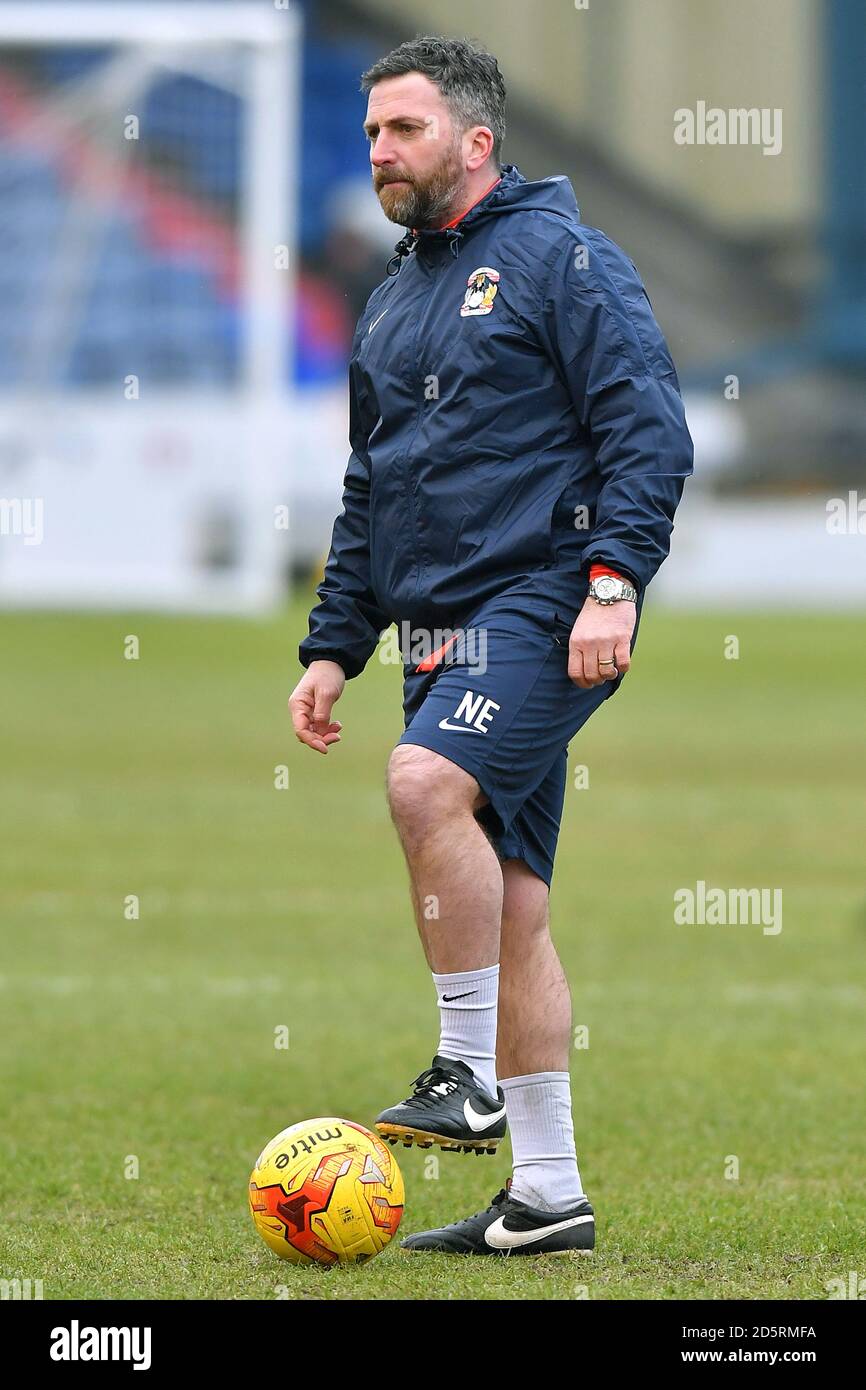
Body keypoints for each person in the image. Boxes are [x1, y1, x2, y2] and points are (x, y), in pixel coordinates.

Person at [290, 36, 693, 1256]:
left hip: (541, 602)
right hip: (430, 627)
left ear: (474, 142)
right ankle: (546, 1195)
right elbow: (372, 486)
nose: (376, 153)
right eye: (368, 133)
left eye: (401, 130)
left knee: (421, 782)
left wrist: (612, 582)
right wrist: (331, 643)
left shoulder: (562, 259)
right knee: (510, 907)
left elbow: (648, 427)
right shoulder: (396, 290)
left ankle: (461, 1072)